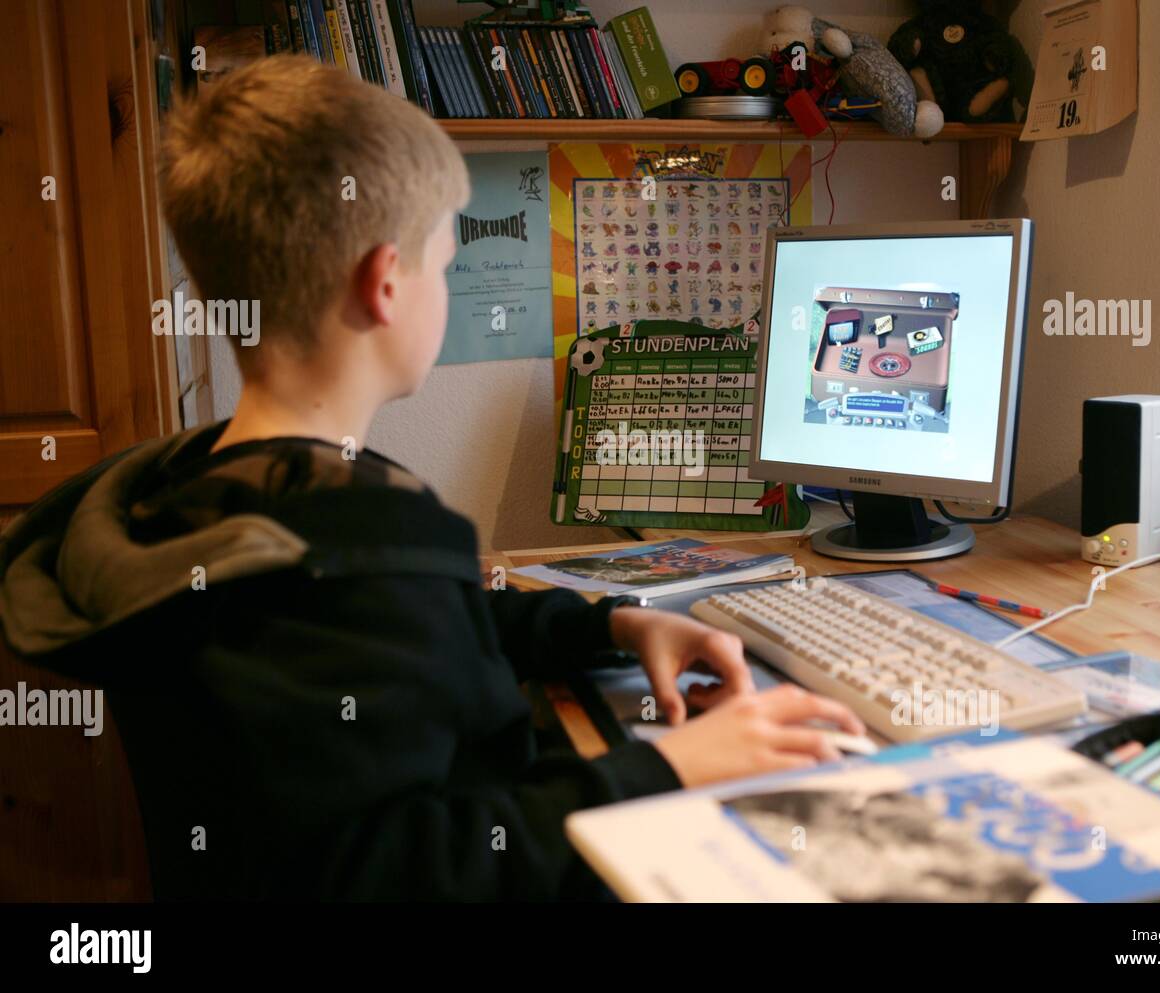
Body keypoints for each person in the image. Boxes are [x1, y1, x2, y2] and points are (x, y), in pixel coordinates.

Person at [0, 57, 862, 900]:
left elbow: (414, 625)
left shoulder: (211, 490)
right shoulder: (359, 542)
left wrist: (612, 627)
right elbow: (395, 869)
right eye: (444, 266)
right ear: (384, 284)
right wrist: (669, 766)